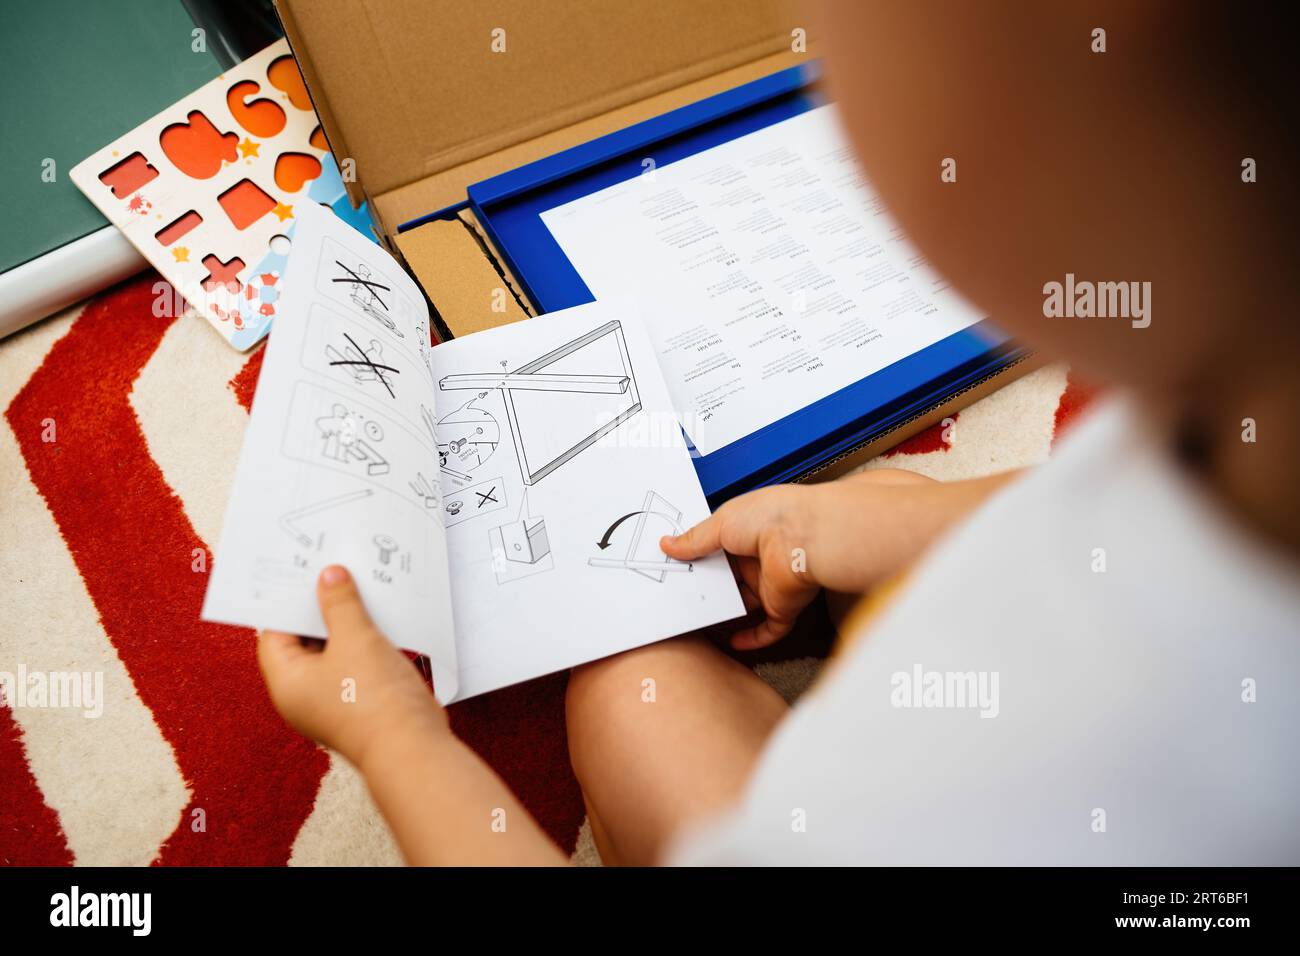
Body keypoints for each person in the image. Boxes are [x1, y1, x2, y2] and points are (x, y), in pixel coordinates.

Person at [257, 1, 1299, 865]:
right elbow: (1115, 512)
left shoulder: (1032, 797)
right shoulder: (1245, 412)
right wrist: (924, 515)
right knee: (888, 507)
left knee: (634, 689)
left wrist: (391, 736)